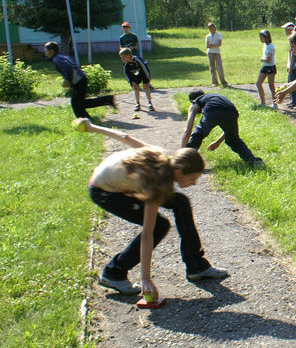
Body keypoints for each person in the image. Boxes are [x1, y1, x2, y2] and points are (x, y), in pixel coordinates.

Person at [75, 117, 228, 298]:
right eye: (192, 179)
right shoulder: (157, 182)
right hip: (105, 192)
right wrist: (146, 278)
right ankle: (114, 273)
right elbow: (148, 234)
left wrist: (93, 127)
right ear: (178, 172)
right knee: (159, 226)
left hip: (117, 181)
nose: (193, 183)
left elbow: (125, 136)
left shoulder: (163, 156)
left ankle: (196, 266)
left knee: (181, 202)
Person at [182, 90, 263, 166]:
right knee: (234, 140)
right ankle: (253, 161)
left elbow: (187, 131)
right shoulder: (213, 97)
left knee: (197, 135)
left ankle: (187, 161)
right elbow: (228, 130)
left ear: (192, 101)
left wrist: (182, 154)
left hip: (212, 112)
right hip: (232, 112)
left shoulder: (195, 103)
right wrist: (218, 142)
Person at [44, 41, 116, 119]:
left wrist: (67, 80)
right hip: (81, 79)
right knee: (79, 102)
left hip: (78, 81)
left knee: (76, 103)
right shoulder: (62, 56)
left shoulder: (56, 59)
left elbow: (68, 68)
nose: (45, 53)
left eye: (46, 50)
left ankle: (83, 120)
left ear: (51, 51)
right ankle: (104, 102)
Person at [119, 47, 154, 112]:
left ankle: (150, 103)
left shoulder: (137, 60)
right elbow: (127, 74)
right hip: (134, 74)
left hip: (143, 73)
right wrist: (131, 82)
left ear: (128, 55)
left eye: (123, 57)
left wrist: (148, 79)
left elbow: (145, 69)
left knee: (146, 87)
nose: (122, 59)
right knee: (136, 88)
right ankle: (138, 104)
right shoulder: (127, 64)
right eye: (121, 57)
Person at [256, 30, 276, 107]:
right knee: (258, 83)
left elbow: (269, 60)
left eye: (261, 38)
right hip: (265, 66)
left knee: (271, 85)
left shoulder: (271, 46)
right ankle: (263, 103)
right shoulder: (265, 45)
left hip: (270, 67)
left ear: (266, 37)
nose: (260, 39)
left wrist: (262, 59)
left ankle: (275, 103)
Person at [205, 22, 228, 87]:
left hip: (217, 52)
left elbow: (219, 44)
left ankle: (223, 81)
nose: (211, 30)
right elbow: (207, 45)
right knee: (212, 68)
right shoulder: (207, 36)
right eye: (210, 29)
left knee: (219, 67)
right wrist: (214, 44)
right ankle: (214, 82)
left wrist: (212, 44)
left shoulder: (219, 34)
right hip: (210, 52)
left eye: (212, 28)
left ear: (215, 28)